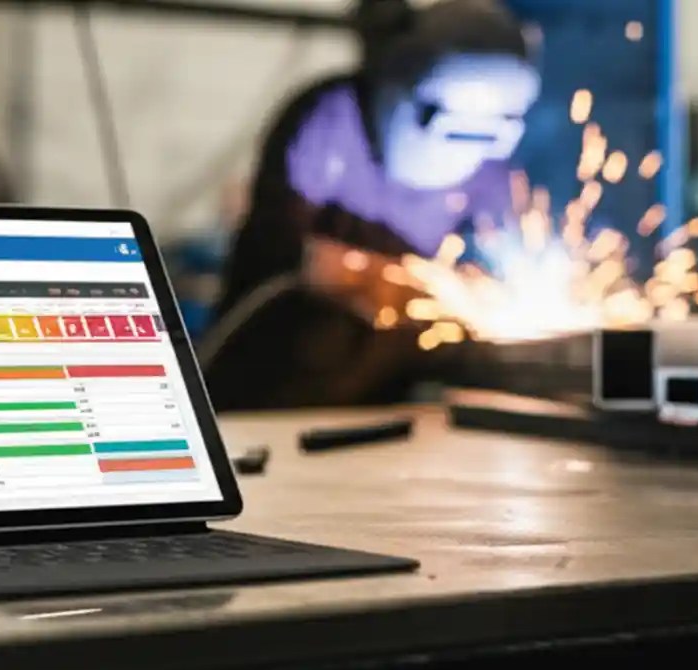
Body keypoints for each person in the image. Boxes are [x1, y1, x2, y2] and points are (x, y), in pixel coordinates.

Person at [202, 0, 541, 411]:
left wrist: (475, 294)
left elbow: (491, 268)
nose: (467, 148)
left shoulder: (491, 163)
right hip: (270, 372)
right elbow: (278, 249)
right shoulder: (329, 117)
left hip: (381, 398)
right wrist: (376, 279)